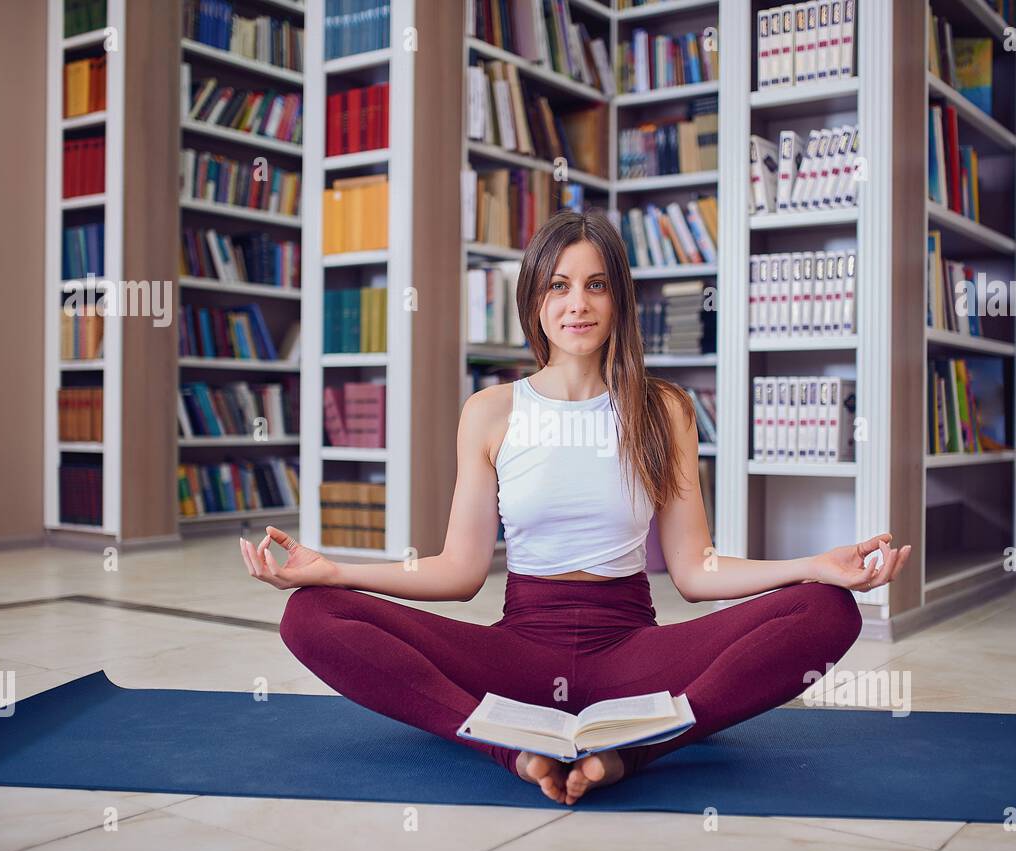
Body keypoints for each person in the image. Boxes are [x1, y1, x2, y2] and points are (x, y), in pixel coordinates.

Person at [241, 207, 910, 806]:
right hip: (519, 654)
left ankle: (632, 748)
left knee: (826, 610)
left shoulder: (665, 409)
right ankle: (513, 749)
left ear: (620, 298)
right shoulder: (490, 412)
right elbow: (457, 572)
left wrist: (815, 565)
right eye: (557, 285)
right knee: (310, 616)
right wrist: (332, 570)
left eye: (595, 285)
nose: (576, 304)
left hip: (632, 654)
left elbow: (697, 572)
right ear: (534, 300)